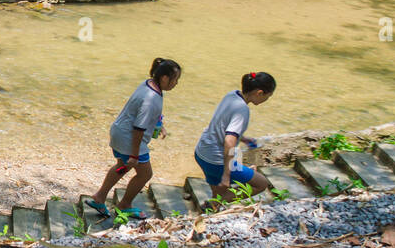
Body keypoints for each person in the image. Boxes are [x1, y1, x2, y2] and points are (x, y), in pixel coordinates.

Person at [87, 58, 183, 219]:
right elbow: (139, 128)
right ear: (165, 78)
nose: (176, 83)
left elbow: (144, 112)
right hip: (129, 138)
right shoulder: (152, 99)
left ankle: (100, 197)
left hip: (119, 131)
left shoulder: (149, 84)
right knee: (145, 174)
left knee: (122, 166)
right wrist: (134, 155)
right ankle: (124, 205)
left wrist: (160, 124)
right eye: (175, 79)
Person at [195, 71, 276, 206]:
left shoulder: (232, 95)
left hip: (201, 153)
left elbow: (221, 125)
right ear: (260, 93)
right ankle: (214, 203)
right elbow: (229, 141)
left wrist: (243, 139)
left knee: (219, 192)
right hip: (215, 161)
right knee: (261, 184)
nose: (266, 100)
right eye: (268, 96)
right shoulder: (243, 110)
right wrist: (226, 174)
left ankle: (212, 208)